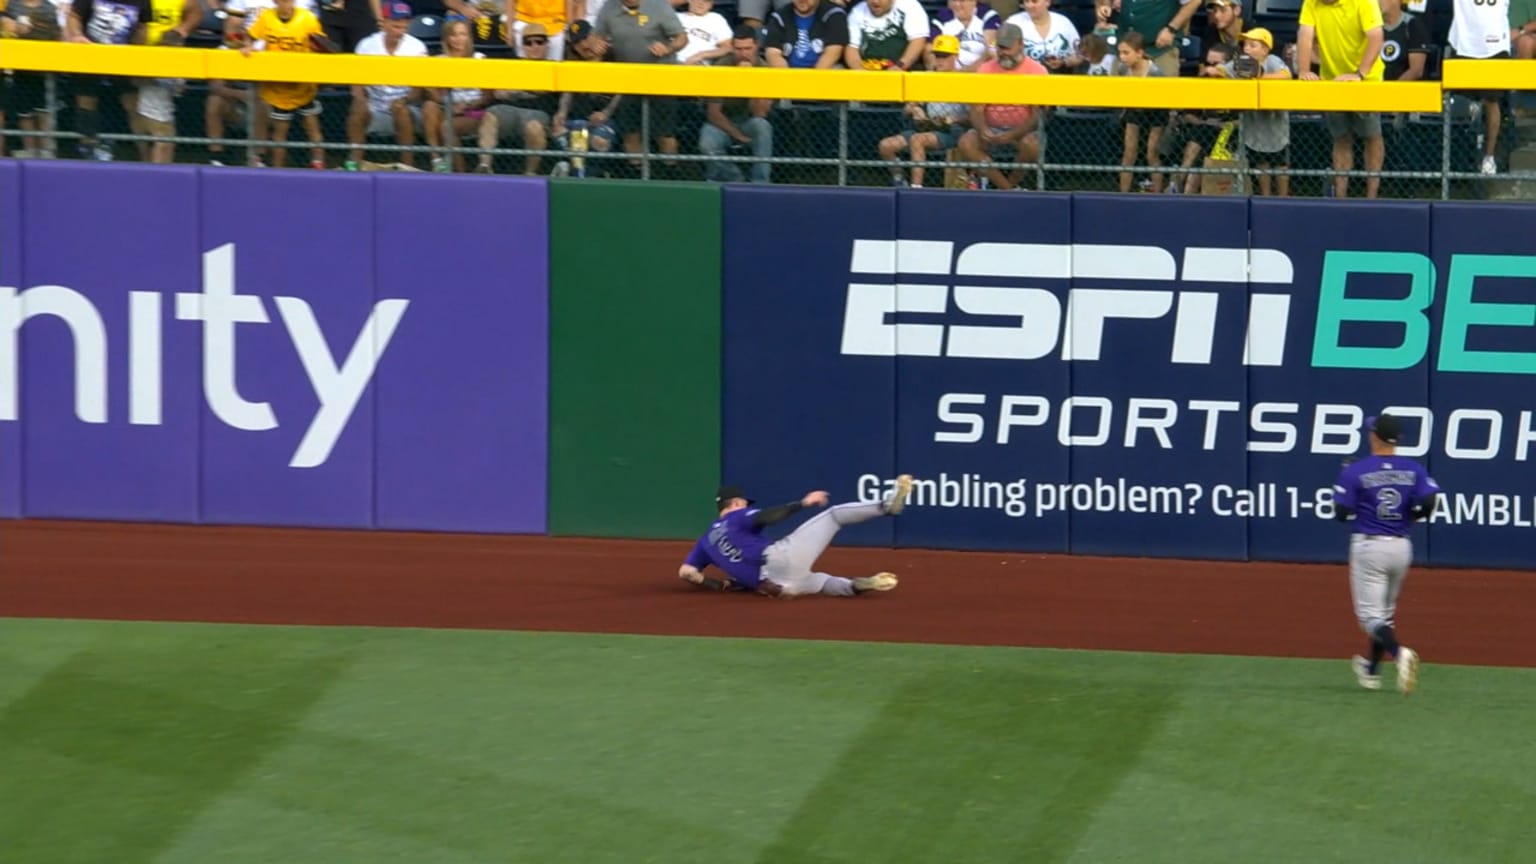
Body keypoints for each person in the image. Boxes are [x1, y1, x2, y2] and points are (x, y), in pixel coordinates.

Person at [1331, 413, 1440, 695]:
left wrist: (1358, 499)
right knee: (1385, 615)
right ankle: (1371, 671)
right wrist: (1413, 516)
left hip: (1370, 546)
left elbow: (1341, 513)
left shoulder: (1357, 470)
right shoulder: (1413, 469)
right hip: (1401, 546)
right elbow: (1429, 501)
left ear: (1375, 437)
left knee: (1370, 618)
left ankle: (1399, 653)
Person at [677, 475, 914, 598]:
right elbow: (767, 518)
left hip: (776, 587)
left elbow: (686, 573)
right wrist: (802, 503)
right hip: (779, 560)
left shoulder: (705, 541)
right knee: (833, 516)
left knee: (821, 583)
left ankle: (853, 585)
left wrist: (720, 585)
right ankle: (887, 505)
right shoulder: (736, 515)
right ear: (737, 503)